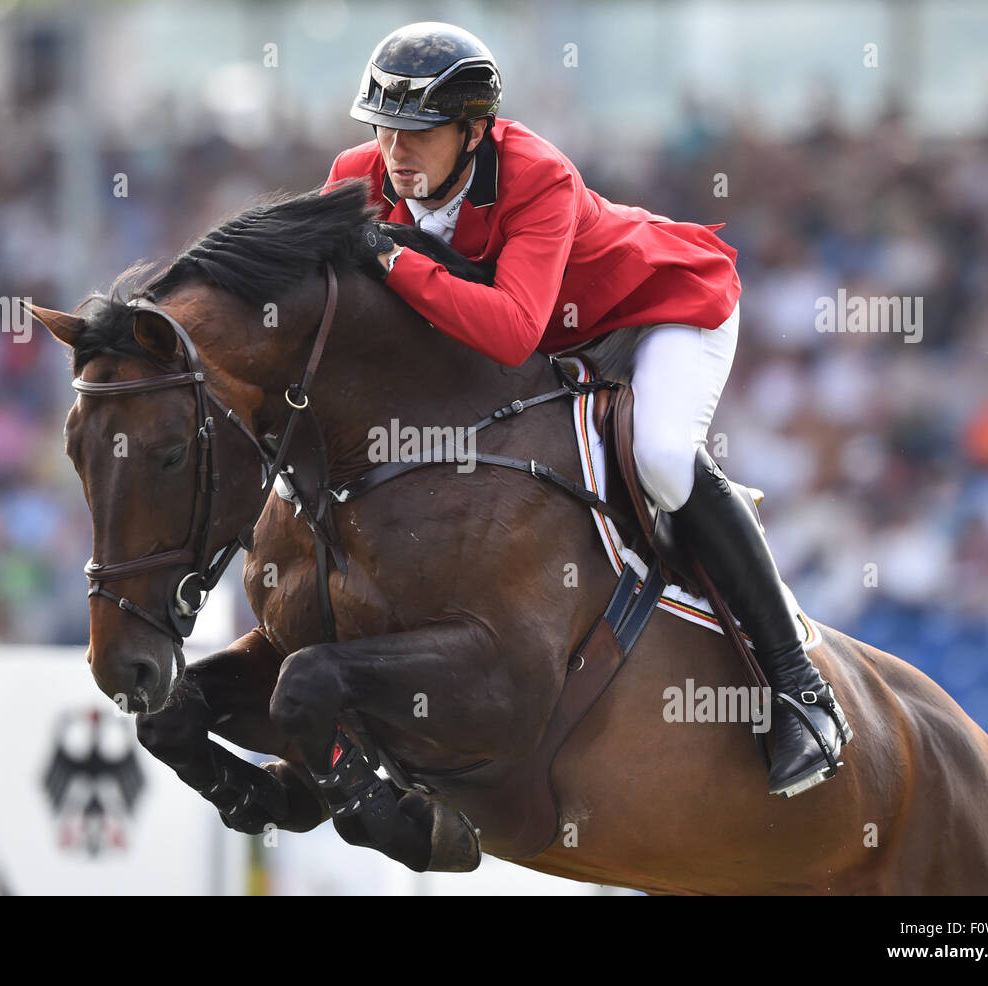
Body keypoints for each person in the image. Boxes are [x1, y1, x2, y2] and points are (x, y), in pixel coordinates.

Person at [323, 22, 852, 797]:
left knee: (663, 458)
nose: (394, 153)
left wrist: (392, 258)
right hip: (562, 347)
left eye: (420, 133)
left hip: (660, 314)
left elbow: (509, 331)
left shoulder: (537, 174)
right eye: (384, 129)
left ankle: (799, 687)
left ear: (474, 131)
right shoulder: (357, 174)